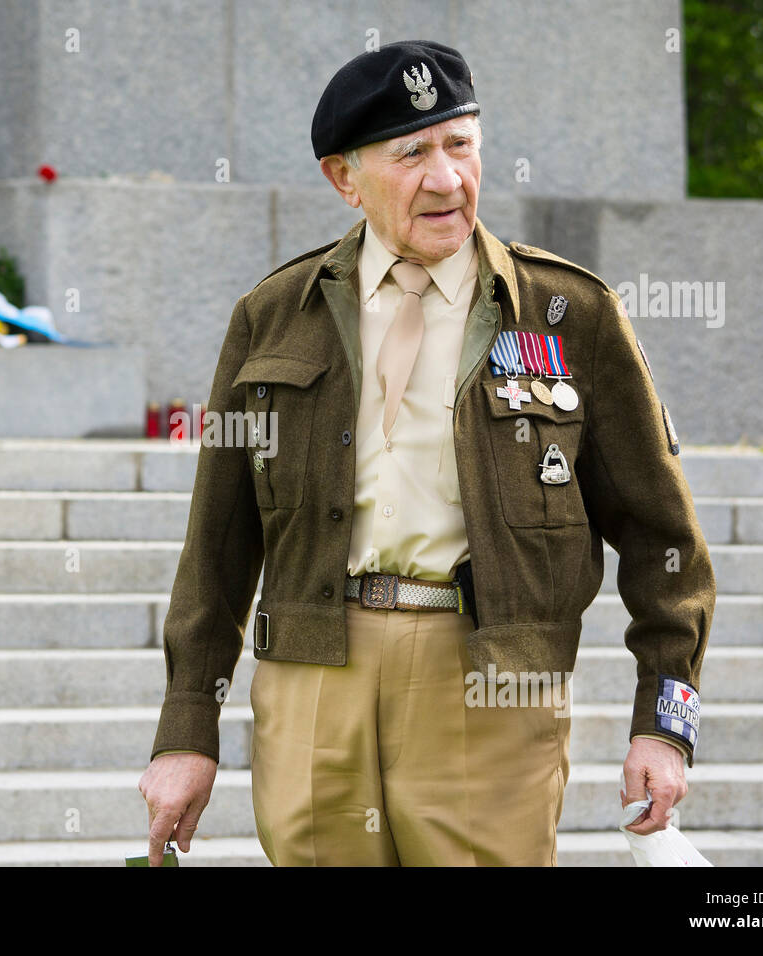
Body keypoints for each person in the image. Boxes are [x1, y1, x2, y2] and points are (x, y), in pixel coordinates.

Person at [138, 39, 715, 866]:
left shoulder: (568, 313)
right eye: (412, 154)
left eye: (461, 145)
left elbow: (669, 545)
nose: (446, 180)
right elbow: (217, 548)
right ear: (345, 179)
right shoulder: (273, 316)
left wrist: (665, 722)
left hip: (488, 683)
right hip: (312, 679)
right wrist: (185, 731)